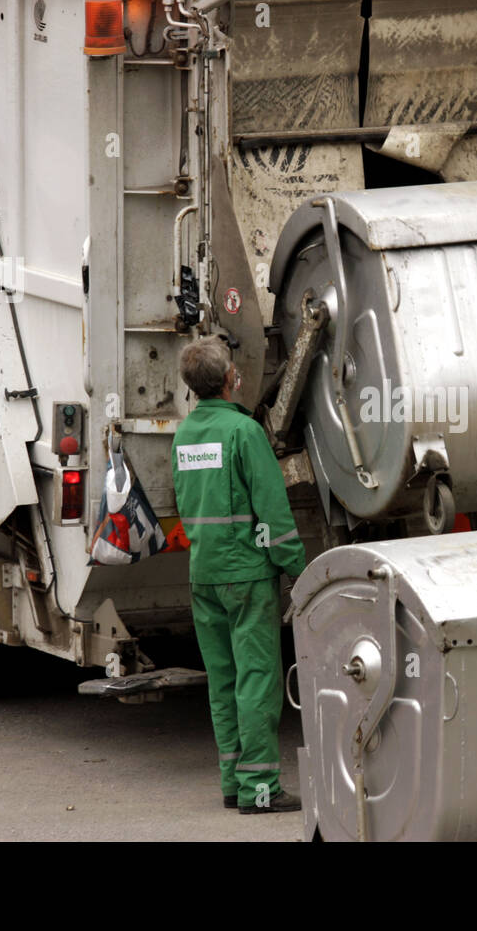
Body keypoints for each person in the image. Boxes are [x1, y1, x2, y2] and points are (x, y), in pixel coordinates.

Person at [172, 336, 306, 812]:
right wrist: (299, 571)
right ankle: (260, 789)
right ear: (231, 379)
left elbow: (185, 504)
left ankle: (233, 783)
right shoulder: (244, 432)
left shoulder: (185, 435)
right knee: (256, 680)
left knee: (223, 680)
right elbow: (272, 512)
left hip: (203, 575)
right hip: (246, 576)